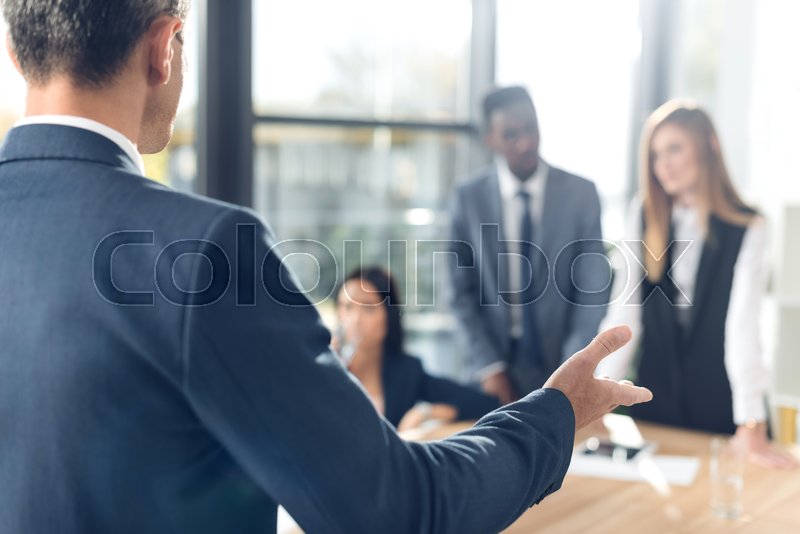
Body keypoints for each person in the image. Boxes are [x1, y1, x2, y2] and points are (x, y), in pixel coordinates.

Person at [0, 1, 653, 532]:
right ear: (164, 47)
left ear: (15, 49)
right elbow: (394, 508)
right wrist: (555, 414)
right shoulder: (206, 249)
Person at [598, 100, 797, 469]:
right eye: (656, 154)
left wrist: (751, 422)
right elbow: (624, 316)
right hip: (654, 409)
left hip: (721, 412)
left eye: (675, 148)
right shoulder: (642, 215)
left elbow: (743, 329)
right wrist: (595, 394)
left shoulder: (749, 226)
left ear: (710, 146)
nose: (664, 165)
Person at [450, 86, 610, 404]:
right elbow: (458, 293)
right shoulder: (468, 199)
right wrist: (490, 367)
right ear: (490, 140)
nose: (526, 142)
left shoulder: (581, 194)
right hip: (491, 370)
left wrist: (574, 366)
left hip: (561, 364)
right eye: (510, 134)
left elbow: (592, 288)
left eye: (531, 129)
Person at [335, 267, 500, 430]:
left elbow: (483, 404)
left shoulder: (406, 371)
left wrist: (425, 412)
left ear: (389, 315)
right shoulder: (329, 366)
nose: (355, 319)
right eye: (347, 306)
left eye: (368, 307)